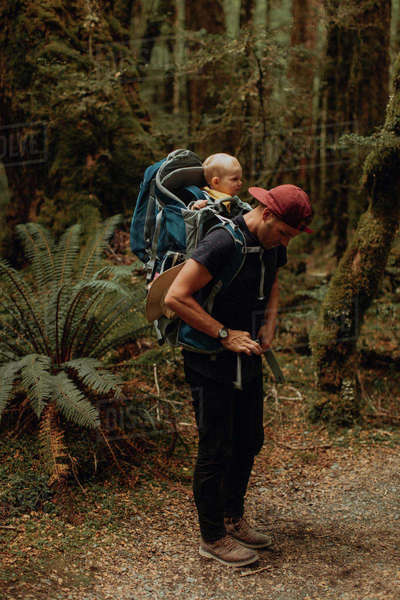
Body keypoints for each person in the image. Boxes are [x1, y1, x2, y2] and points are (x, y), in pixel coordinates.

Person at [164, 184, 313, 568]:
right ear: (266, 213)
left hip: (246, 349)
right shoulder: (221, 243)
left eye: (291, 237)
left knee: (249, 438)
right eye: (283, 233)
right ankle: (212, 537)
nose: (284, 243)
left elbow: (274, 281)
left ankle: (233, 516)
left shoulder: (273, 243)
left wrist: (270, 324)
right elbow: (176, 297)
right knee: (216, 445)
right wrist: (223, 334)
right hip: (207, 354)